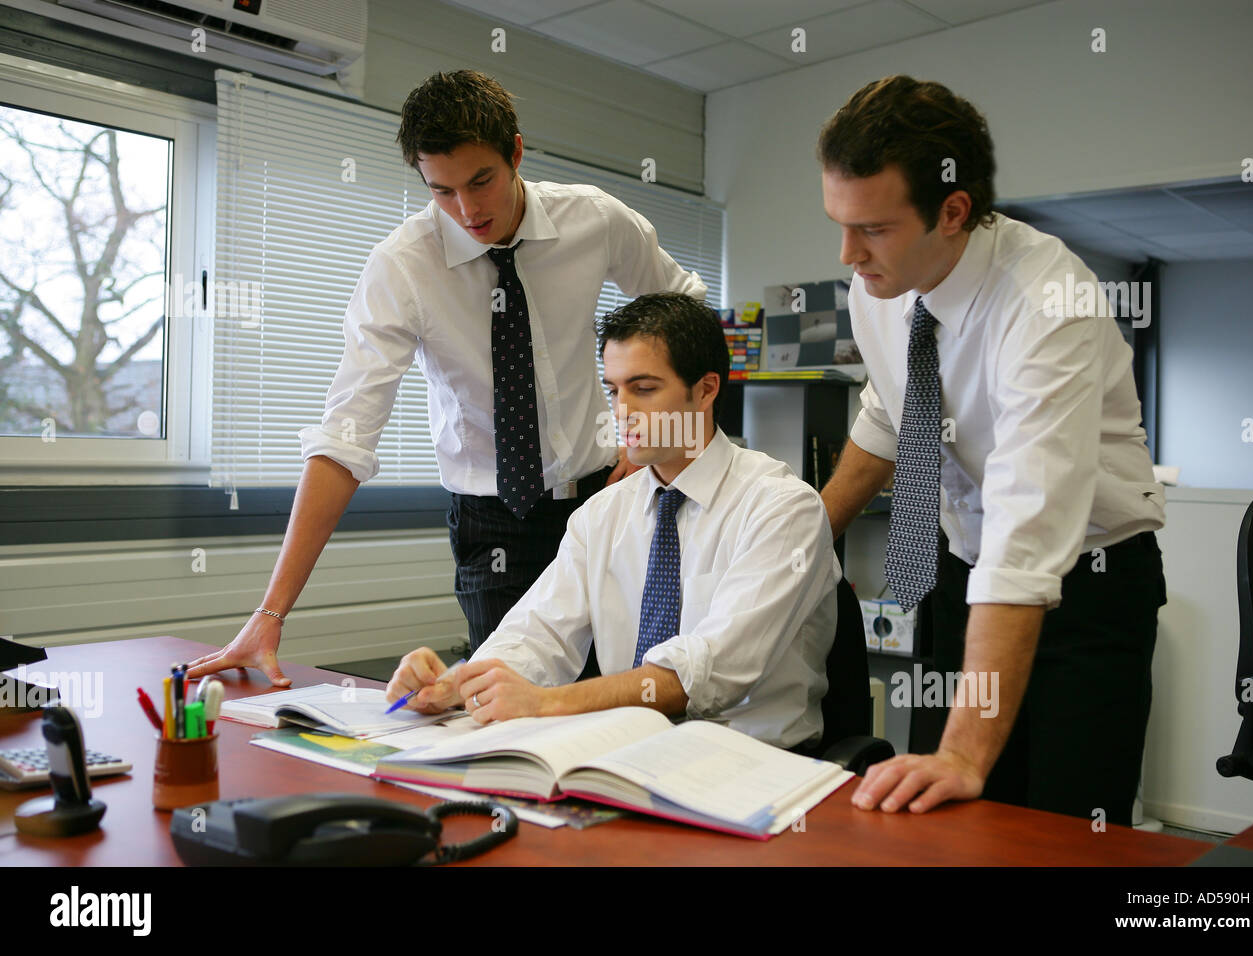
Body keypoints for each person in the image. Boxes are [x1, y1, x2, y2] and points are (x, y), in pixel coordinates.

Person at [186, 70, 706, 686]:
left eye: (481, 180)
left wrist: (650, 440)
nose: (468, 210)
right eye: (443, 191)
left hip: (605, 492)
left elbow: (687, 311)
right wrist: (270, 614)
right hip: (493, 519)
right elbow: (345, 439)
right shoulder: (403, 267)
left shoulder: (592, 220)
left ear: (514, 152)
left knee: (625, 684)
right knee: (504, 702)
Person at [816, 76, 1167, 826]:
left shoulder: (1047, 303)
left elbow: (1027, 530)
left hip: (1087, 585)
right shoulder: (875, 288)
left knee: (1068, 826)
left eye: (872, 228)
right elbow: (890, 411)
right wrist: (807, 541)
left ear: (953, 211)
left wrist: (967, 752)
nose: (848, 253)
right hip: (963, 570)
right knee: (950, 820)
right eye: (840, 224)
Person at [385, 292, 839, 750]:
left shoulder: (783, 509)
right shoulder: (601, 515)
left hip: (755, 765)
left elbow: (706, 673)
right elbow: (536, 635)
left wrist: (546, 703)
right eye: (613, 390)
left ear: (705, 390)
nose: (622, 412)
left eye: (643, 389)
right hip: (630, 753)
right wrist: (455, 686)